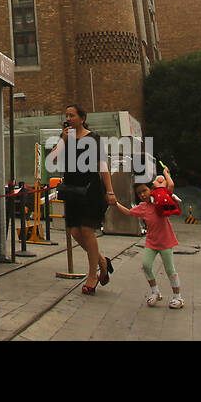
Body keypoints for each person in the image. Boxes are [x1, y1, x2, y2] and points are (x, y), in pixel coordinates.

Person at [47, 105, 115, 294]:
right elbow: (51, 159)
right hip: (71, 189)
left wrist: (110, 191)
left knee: (87, 230)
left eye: (72, 115)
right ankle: (102, 261)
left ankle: (92, 275)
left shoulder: (93, 138)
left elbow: (102, 165)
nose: (69, 118)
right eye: (67, 115)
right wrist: (64, 139)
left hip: (91, 189)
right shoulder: (65, 138)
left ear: (82, 118)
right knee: (75, 232)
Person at [111, 167, 184, 308]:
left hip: (166, 242)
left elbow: (171, 185)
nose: (142, 195)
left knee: (170, 270)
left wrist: (165, 174)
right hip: (151, 242)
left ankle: (178, 297)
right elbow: (128, 212)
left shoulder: (161, 201)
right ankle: (155, 291)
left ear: (151, 189)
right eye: (139, 193)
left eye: (144, 191)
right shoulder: (142, 207)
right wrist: (116, 204)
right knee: (146, 266)